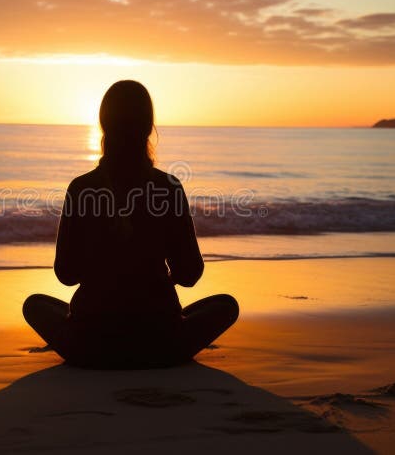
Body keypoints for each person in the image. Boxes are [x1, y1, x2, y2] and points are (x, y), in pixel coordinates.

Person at [23, 80, 238, 368]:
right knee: (225, 306)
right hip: (161, 343)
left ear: (103, 125)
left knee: (35, 305)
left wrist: (103, 268)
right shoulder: (168, 187)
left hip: (90, 344)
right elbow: (189, 274)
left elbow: (66, 274)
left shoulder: (81, 188)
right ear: (148, 128)